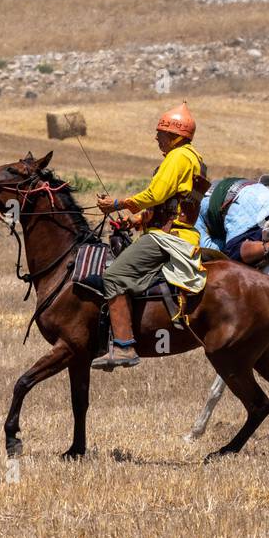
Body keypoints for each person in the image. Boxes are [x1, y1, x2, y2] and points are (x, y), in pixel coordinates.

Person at [93, 102, 210, 370]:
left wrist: (118, 203)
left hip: (168, 238)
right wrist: (137, 219)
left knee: (113, 275)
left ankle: (124, 346)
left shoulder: (178, 157)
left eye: (161, 133)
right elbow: (170, 204)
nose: (157, 138)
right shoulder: (191, 158)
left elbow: (155, 195)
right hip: (173, 232)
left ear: (176, 135)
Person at [195, 177, 269, 264]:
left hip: (243, 206)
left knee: (231, 251)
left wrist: (226, 244)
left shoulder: (195, 208)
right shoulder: (214, 186)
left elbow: (208, 248)